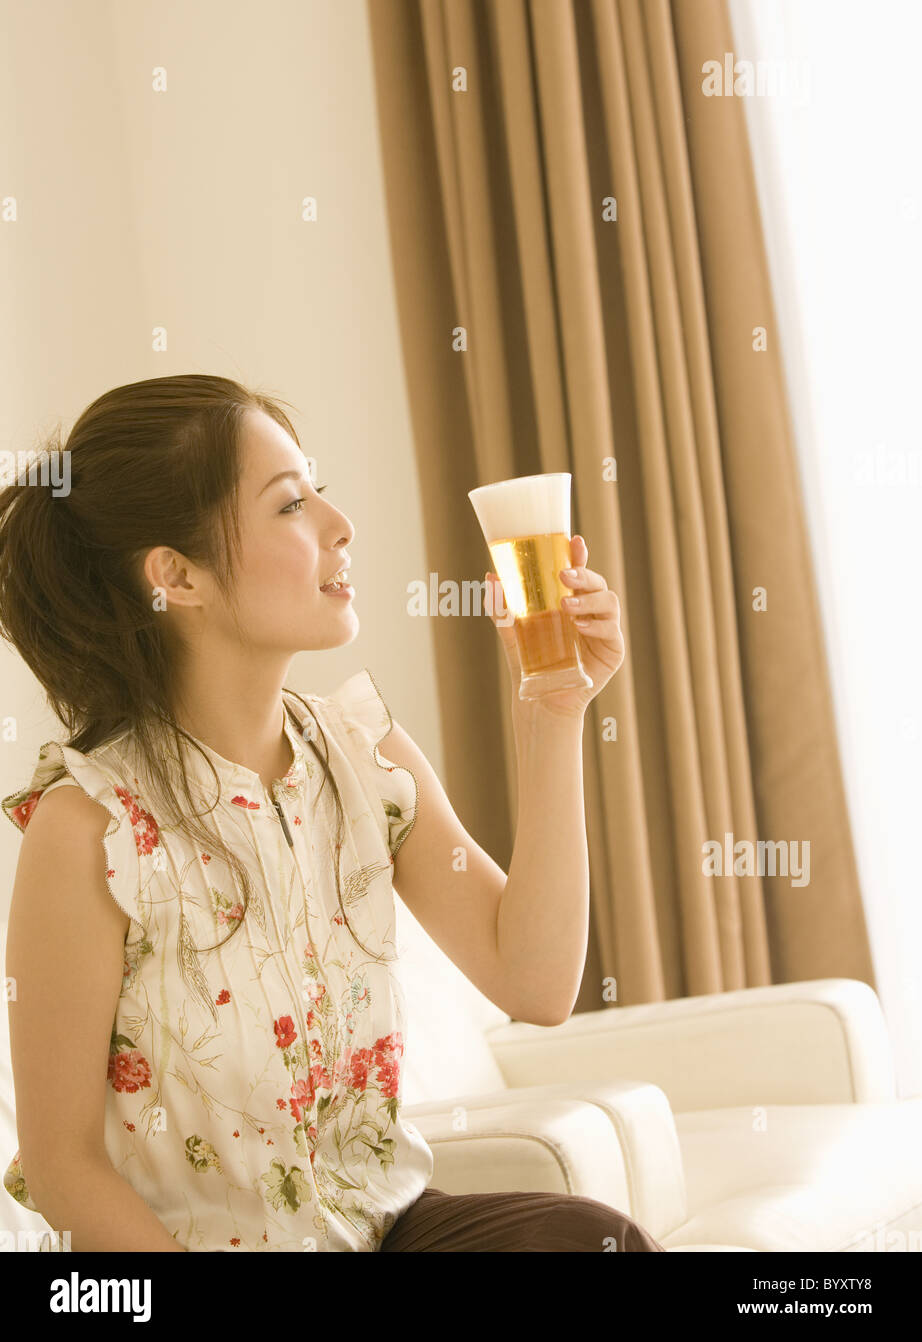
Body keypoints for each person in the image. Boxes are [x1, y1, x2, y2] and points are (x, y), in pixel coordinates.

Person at [0, 374, 663, 1252]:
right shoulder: (90, 828)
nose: (338, 523)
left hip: (380, 1231)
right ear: (178, 575)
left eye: (318, 488)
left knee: (581, 1240)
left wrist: (551, 710)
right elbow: (61, 1166)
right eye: (289, 505)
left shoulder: (365, 757)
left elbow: (536, 982)